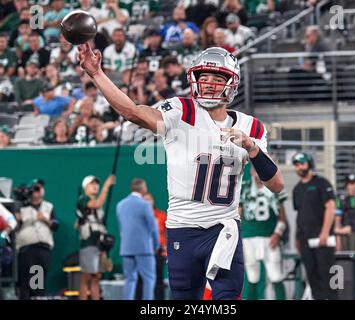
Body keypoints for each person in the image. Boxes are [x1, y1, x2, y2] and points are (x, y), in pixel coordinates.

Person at [77, 44, 283, 300]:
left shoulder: (251, 127)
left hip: (224, 227)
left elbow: (276, 185)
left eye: (217, 78)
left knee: (227, 300)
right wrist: (97, 74)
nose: (208, 84)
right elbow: (132, 111)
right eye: (203, 77)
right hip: (182, 229)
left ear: (231, 83)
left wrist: (252, 147)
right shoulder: (181, 111)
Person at [292, 152, 337, 300]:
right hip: (305, 240)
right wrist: (297, 238)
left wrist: (324, 232)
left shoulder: (322, 183)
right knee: (312, 276)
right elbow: (300, 215)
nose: (299, 167)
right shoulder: (297, 189)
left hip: (322, 240)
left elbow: (331, 207)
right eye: (296, 165)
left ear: (310, 164)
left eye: (302, 163)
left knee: (328, 277)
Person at [239, 165, 288, 300]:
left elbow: (283, 218)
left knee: (276, 276)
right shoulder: (244, 188)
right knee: (251, 277)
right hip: (248, 238)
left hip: (269, 237)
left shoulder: (275, 188)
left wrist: (277, 234)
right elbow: (238, 216)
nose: (258, 173)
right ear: (252, 172)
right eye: (255, 170)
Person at [14, 179, 59, 300]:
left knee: (37, 283)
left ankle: (36, 297)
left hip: (42, 248)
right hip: (27, 249)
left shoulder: (48, 206)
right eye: (36, 188)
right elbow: (13, 228)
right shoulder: (20, 207)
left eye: (41, 188)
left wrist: (45, 219)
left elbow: (55, 225)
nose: (39, 191)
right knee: (25, 283)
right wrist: (17, 219)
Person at [116, 179, 159, 300]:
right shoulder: (145, 204)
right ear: (143, 188)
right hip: (144, 249)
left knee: (130, 279)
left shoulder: (120, 205)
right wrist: (156, 245)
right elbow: (153, 226)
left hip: (127, 248)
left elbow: (121, 229)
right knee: (149, 279)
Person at [76, 174, 116, 300]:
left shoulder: (99, 208)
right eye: (92, 184)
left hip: (99, 244)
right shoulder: (82, 199)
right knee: (86, 276)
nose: (95, 186)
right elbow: (97, 204)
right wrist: (106, 186)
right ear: (85, 187)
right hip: (88, 243)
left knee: (96, 277)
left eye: (96, 184)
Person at [143, 192, 167, 300]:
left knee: (158, 279)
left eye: (150, 199)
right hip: (143, 253)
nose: (148, 202)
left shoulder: (162, 215)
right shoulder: (139, 217)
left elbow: (169, 232)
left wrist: (166, 247)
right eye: (145, 199)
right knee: (141, 279)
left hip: (158, 252)